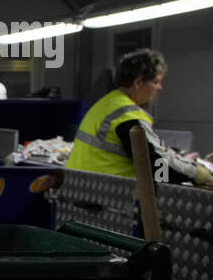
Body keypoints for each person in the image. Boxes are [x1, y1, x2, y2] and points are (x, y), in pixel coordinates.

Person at [67, 49, 212, 185]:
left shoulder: (105, 104)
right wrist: (196, 174)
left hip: (82, 189)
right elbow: (154, 165)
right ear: (138, 83)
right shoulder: (127, 116)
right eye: (156, 82)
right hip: (105, 198)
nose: (160, 88)